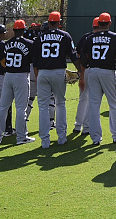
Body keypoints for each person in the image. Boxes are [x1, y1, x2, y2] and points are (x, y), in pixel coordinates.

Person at [32, 11, 80, 147]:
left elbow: (34, 61)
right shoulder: (65, 35)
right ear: (59, 22)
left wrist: (37, 76)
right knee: (60, 103)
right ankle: (61, 137)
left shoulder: (39, 37)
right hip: (59, 72)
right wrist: (80, 71)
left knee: (42, 107)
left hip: (42, 72)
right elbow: (73, 56)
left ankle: (45, 141)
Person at [78, 13, 116, 147]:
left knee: (94, 105)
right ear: (109, 23)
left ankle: (96, 138)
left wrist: (83, 74)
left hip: (92, 71)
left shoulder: (90, 38)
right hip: (108, 71)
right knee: (113, 103)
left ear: (98, 24)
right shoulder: (115, 37)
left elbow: (82, 58)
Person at [0, 19, 35, 146]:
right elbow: (34, 61)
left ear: (14, 30)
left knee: (3, 108)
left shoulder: (6, 43)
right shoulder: (29, 43)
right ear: (23, 30)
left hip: (8, 76)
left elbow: (2, 60)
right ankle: (21, 137)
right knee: (21, 108)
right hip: (21, 76)